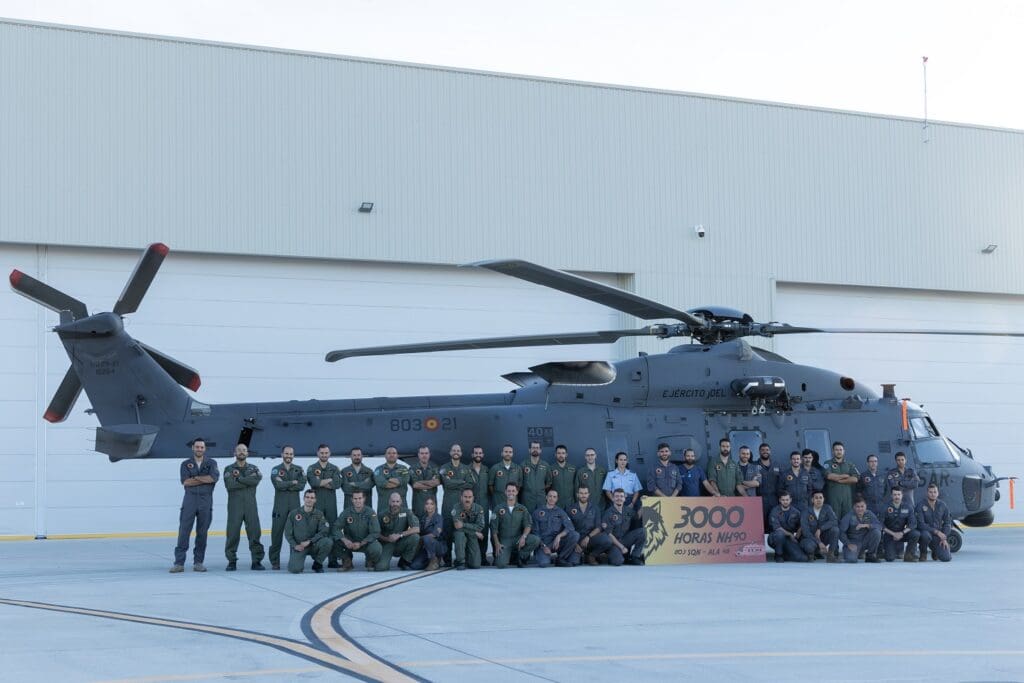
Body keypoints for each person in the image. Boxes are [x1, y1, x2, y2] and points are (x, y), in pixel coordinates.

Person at [171, 437, 220, 573]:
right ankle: (179, 563)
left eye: (202, 447)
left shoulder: (211, 463)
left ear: (205, 449)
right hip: (190, 501)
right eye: (197, 447)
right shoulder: (186, 464)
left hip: (206, 501)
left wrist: (195, 478)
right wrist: (203, 479)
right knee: (184, 531)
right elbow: (186, 482)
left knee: (202, 533)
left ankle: (198, 562)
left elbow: (213, 478)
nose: (199, 449)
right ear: (193, 448)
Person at [223, 442, 266, 570]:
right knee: (232, 533)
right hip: (235, 506)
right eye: (239, 450)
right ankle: (231, 561)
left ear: (247, 453)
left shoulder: (254, 468)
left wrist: (238, 480)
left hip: (250, 506)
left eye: (244, 450)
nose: (242, 452)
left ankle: (256, 561)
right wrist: (247, 481)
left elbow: (255, 481)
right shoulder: (229, 469)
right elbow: (230, 485)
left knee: (254, 532)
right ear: (235, 453)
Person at [269, 444, 305, 570]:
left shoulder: (299, 469)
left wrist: (285, 483)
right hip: (280, 507)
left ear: (293, 455)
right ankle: (275, 561)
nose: (288, 456)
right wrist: (292, 482)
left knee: (294, 535)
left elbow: (301, 486)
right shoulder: (275, 469)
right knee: (276, 534)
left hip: (295, 507)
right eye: (286, 453)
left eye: (291, 454)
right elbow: (278, 485)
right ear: (282, 454)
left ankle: (294, 560)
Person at [491, 482, 539, 568]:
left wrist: (523, 537)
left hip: (517, 538)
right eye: (509, 491)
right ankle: (511, 556)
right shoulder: (498, 508)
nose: (511, 493)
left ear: (517, 492)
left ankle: (520, 556)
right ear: (505, 492)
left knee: (535, 540)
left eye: (513, 491)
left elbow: (528, 524)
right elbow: (493, 529)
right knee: (500, 564)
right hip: (505, 540)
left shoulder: (522, 508)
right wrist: (497, 544)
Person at [284, 489, 332, 574]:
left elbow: (324, 531)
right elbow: (288, 533)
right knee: (294, 569)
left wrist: (310, 541)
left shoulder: (319, 514)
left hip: (313, 545)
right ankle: (298, 562)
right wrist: (295, 545)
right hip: (300, 546)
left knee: (328, 542)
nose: (309, 499)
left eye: (312, 498)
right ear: (304, 498)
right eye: (307, 497)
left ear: (315, 500)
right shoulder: (294, 514)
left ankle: (317, 563)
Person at [332, 490, 382, 571]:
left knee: (377, 548)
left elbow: (376, 532)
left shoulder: (370, 512)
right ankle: (347, 560)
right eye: (355, 499)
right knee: (332, 541)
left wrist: (362, 543)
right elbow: (336, 528)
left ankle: (370, 560)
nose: (357, 501)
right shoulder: (346, 512)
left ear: (364, 499)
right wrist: (345, 540)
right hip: (350, 543)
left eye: (360, 498)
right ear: (352, 499)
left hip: (366, 542)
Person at [532, 490, 580, 567]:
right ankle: (548, 557)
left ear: (557, 499)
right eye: (550, 496)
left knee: (575, 535)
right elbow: (535, 533)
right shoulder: (537, 512)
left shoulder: (561, 512)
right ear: (546, 497)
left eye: (554, 497)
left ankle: (560, 558)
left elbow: (570, 527)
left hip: (557, 542)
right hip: (544, 543)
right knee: (544, 564)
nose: (552, 498)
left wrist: (559, 536)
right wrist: (543, 546)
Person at [568, 484, 612, 565]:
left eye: (585, 493)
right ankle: (581, 555)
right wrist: (575, 544)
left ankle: (592, 555)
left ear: (588, 494)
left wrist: (588, 537)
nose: (583, 495)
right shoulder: (570, 508)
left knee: (607, 540)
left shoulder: (595, 508)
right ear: (577, 494)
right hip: (577, 540)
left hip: (591, 538)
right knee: (573, 562)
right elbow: (569, 528)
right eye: (581, 493)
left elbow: (598, 527)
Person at [376, 492, 421, 571]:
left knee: (415, 537)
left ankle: (404, 561)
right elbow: (375, 533)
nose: (395, 504)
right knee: (381, 568)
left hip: (401, 542)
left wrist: (400, 535)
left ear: (401, 502)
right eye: (393, 501)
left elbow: (417, 529)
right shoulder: (381, 515)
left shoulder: (407, 512)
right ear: (389, 502)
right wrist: (386, 539)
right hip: (387, 544)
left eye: (397, 501)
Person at [601, 489, 645, 565]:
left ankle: (634, 557)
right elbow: (609, 534)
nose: (619, 498)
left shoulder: (628, 510)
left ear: (624, 498)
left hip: (625, 539)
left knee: (642, 532)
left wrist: (643, 504)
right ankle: (609, 556)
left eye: (621, 496)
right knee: (618, 562)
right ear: (613, 498)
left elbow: (637, 516)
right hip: (613, 543)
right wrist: (622, 547)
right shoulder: (608, 513)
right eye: (617, 496)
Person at [307, 444, 342, 528]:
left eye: (326, 453)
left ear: (329, 453)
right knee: (315, 524)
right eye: (322, 453)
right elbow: (313, 483)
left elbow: (337, 484)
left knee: (332, 525)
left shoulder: (334, 468)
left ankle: (331, 542)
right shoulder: (312, 468)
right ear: (318, 453)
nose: (324, 455)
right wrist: (330, 480)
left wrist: (320, 482)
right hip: (317, 501)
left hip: (331, 503)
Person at [823, 441, 859, 522]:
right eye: (836, 450)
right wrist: (845, 476)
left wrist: (839, 480)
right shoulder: (827, 463)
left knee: (847, 520)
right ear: (833, 451)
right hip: (833, 498)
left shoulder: (849, 464)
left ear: (843, 451)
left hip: (847, 498)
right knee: (834, 519)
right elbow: (829, 476)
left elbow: (855, 479)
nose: (838, 452)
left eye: (840, 450)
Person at [881, 488, 920, 562]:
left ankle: (909, 555)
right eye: (895, 494)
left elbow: (913, 524)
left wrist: (902, 533)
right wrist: (893, 534)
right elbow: (880, 524)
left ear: (902, 495)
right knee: (890, 558)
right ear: (891, 496)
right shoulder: (885, 507)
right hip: (890, 535)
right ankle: (887, 551)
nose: (897, 496)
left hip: (903, 533)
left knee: (915, 533)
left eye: (899, 494)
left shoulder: (908, 507)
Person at [467, 445, 491, 564]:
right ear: (472, 455)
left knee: (484, 529)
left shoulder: (486, 470)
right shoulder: (466, 469)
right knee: (470, 528)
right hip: (470, 505)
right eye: (476, 453)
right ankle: (470, 555)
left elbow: (490, 487)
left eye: (480, 453)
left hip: (484, 504)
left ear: (483, 455)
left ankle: (483, 556)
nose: (478, 455)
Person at [916, 483, 953, 562]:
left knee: (947, 558)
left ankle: (935, 551)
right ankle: (923, 553)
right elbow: (920, 524)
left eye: (935, 492)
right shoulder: (920, 505)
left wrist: (944, 537)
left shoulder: (942, 505)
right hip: (926, 533)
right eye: (930, 492)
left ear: (938, 493)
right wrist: (936, 532)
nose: (933, 494)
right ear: (927, 493)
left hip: (938, 536)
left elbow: (948, 523)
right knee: (925, 535)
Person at [799, 491, 840, 562]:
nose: (818, 500)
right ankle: (811, 554)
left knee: (835, 530)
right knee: (809, 546)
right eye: (816, 498)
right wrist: (819, 542)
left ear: (823, 499)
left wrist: (820, 529)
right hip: (810, 538)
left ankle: (831, 555)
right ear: (812, 500)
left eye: (820, 498)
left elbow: (834, 521)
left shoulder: (827, 508)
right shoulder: (806, 511)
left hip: (823, 536)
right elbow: (806, 532)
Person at [451, 489, 486, 570]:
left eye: (469, 497)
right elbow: (457, 526)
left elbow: (480, 527)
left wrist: (463, 524)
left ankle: (467, 557)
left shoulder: (479, 508)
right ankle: (460, 562)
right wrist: (475, 533)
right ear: (461, 498)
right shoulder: (456, 507)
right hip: (460, 535)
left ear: (473, 498)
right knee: (459, 535)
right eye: (465, 497)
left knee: (476, 565)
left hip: (471, 536)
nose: (467, 499)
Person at [768, 491, 807, 563]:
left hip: (789, 539)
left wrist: (798, 532)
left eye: (787, 500)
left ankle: (786, 554)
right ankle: (778, 555)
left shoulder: (796, 512)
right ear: (780, 500)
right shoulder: (775, 511)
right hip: (775, 538)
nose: (785, 502)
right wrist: (790, 534)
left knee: (802, 558)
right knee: (780, 534)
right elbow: (777, 528)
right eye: (783, 500)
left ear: (790, 500)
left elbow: (802, 524)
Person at [839, 499, 882, 563]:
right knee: (851, 560)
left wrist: (867, 525)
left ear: (866, 506)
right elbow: (841, 532)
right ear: (854, 507)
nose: (860, 509)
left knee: (876, 532)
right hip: (853, 542)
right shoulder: (849, 516)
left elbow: (879, 526)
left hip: (865, 540)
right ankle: (854, 553)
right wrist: (848, 544)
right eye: (858, 507)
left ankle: (870, 555)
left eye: (862, 506)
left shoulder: (869, 513)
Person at [409, 497, 445, 571]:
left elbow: (435, 534)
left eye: (431, 504)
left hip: (438, 546)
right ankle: (432, 561)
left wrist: (421, 538)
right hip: (426, 547)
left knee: (427, 538)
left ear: (435, 506)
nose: (429, 506)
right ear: (424, 506)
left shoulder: (438, 518)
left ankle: (435, 560)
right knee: (414, 566)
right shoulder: (423, 518)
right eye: (427, 504)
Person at [373, 446, 410, 514]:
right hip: (384, 508)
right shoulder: (378, 469)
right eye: (389, 453)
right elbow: (382, 483)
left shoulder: (404, 469)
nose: (391, 455)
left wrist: (387, 479)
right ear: (385, 455)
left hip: (402, 508)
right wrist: (398, 482)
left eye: (394, 453)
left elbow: (405, 480)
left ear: (397, 455)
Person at [409, 445, 440, 520]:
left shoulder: (434, 469)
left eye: (426, 453)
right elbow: (415, 485)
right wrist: (430, 483)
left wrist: (421, 483)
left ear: (429, 455)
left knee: (432, 529)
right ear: (418, 455)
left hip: (432, 507)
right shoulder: (412, 468)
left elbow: (436, 482)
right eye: (422, 453)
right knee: (418, 529)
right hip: (418, 506)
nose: (424, 455)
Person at [488, 444, 523, 510]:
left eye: (510, 452)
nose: (508, 454)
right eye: (506, 452)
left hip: (513, 501)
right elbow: (490, 485)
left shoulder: (518, 468)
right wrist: (497, 495)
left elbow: (519, 485)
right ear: (502, 453)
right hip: (498, 500)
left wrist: (512, 494)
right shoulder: (495, 468)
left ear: (512, 454)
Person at [340, 446, 375, 512]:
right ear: (351, 456)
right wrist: (363, 484)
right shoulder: (344, 471)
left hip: (366, 506)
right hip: (349, 506)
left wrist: (354, 484)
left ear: (362, 456)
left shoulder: (369, 471)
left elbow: (369, 486)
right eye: (354, 455)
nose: (357, 457)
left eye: (358, 455)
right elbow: (346, 488)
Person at [521, 440, 551, 513]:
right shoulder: (523, 465)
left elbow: (548, 483)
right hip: (527, 499)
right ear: (529, 450)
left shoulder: (545, 465)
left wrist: (540, 490)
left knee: (542, 519)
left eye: (537, 448)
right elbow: (520, 482)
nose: (535, 449)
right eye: (533, 447)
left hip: (541, 499)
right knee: (528, 520)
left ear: (540, 450)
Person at [756, 443, 781, 530]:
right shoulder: (754, 465)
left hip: (774, 498)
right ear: (759, 452)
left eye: (767, 450)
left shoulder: (777, 465)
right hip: (760, 499)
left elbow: (781, 481)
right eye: (763, 450)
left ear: (770, 451)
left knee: (775, 522)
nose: (765, 452)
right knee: (761, 522)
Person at [857, 454, 890, 518]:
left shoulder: (883, 475)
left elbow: (887, 490)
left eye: (875, 461)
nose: (873, 463)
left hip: (881, 505)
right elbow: (858, 491)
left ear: (877, 463)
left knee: (881, 524)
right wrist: (863, 503)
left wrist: (884, 501)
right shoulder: (863, 476)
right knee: (869, 524)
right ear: (867, 463)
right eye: (871, 461)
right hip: (868, 505)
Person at [549, 444, 577, 510]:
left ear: (566, 454)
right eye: (559, 453)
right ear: (555, 454)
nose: (561, 455)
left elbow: (576, 486)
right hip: (556, 503)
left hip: (570, 503)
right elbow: (548, 486)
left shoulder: (573, 468)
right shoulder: (550, 468)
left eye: (563, 453)